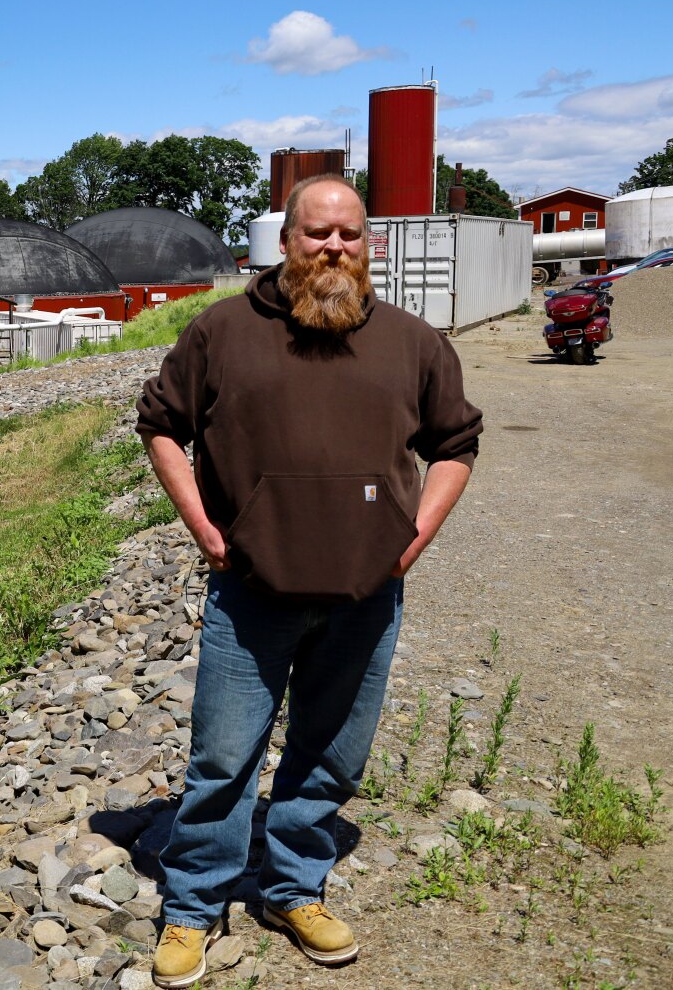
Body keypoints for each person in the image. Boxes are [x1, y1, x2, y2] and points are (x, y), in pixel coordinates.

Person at [133, 174, 483, 988]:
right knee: (224, 760)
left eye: (349, 235)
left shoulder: (412, 342)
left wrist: (414, 538)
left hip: (366, 598)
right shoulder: (223, 332)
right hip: (252, 594)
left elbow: (457, 445)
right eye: (316, 233)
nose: (333, 247)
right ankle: (192, 907)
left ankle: (294, 888)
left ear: (371, 246)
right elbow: (160, 426)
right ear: (285, 242)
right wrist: (204, 526)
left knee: (329, 757)